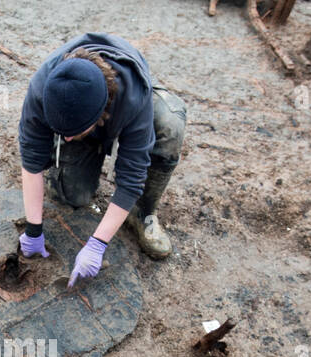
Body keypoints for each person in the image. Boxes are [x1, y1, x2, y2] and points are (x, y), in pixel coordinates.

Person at [15, 33, 187, 285]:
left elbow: (131, 178)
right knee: (72, 196)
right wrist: (33, 229)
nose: (68, 139)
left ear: (101, 114)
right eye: (64, 134)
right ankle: (79, 152)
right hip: (81, 113)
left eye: (75, 133)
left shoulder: (133, 98)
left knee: (170, 123)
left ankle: (142, 212)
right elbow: (31, 159)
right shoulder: (42, 89)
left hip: (128, 98)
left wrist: (97, 244)